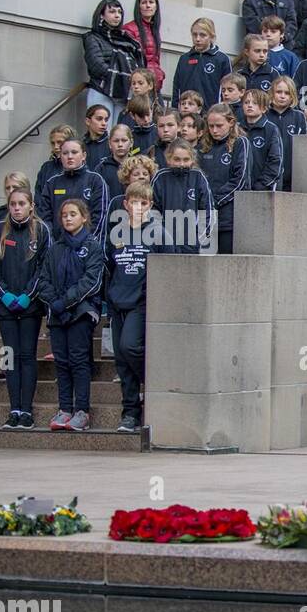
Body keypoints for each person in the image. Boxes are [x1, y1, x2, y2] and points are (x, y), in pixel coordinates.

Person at [105, 182, 170, 432]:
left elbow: (169, 269)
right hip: (117, 302)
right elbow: (109, 269)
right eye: (134, 202)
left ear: (150, 205)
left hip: (142, 303)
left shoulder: (159, 232)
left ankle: (153, 383)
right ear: (125, 205)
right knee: (121, 360)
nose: (138, 207)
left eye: (143, 203)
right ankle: (130, 412)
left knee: (129, 347)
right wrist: (109, 299)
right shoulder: (116, 233)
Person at [38, 200, 104, 432]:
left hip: (81, 312)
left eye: (73, 214)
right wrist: (54, 302)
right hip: (57, 313)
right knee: (62, 362)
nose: (68, 218)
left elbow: (91, 280)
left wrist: (66, 302)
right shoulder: (56, 248)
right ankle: (64, 408)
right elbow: (43, 279)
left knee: (78, 361)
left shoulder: (92, 246)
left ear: (84, 217)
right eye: (64, 215)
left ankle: (81, 411)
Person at [82, 0, 143, 122]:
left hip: (123, 94)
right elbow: (95, 65)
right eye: (112, 12)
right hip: (101, 90)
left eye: (119, 12)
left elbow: (138, 66)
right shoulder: (92, 37)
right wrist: (119, 78)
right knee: (102, 133)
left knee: (119, 135)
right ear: (102, 15)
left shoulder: (127, 40)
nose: (117, 15)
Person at [199, 105, 250, 255]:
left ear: (231, 122)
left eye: (219, 126)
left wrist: (215, 201)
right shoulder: (203, 146)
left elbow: (240, 180)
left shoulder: (240, 143)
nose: (214, 130)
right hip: (204, 215)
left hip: (228, 216)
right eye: (211, 126)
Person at [36, 138, 107, 243]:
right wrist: (54, 245)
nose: (70, 157)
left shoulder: (95, 181)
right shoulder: (52, 183)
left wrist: (87, 243)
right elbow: (45, 217)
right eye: (65, 153)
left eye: (74, 152)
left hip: (87, 246)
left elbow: (100, 217)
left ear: (83, 156)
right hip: (57, 246)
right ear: (60, 156)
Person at [151, 138, 215, 253]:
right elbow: (153, 210)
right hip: (166, 240)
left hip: (192, 242)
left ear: (192, 160)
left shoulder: (198, 177)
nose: (181, 164)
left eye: (186, 160)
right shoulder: (160, 177)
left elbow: (207, 211)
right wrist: (160, 237)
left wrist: (200, 238)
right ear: (169, 159)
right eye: (177, 159)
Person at [172, 18, 232, 110]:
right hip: (186, 113)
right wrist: (175, 110)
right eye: (194, 35)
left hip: (211, 114)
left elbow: (228, 89)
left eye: (203, 35)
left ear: (211, 36)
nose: (198, 39)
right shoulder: (184, 58)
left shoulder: (222, 59)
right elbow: (177, 88)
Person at [267, 76, 307, 192]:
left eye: (287, 93)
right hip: (268, 174)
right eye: (279, 92)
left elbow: (305, 146)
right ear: (271, 93)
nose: (282, 96)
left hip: (291, 173)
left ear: (292, 97)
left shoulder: (298, 117)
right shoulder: (264, 115)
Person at [120, 0, 165, 97]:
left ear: (156, 6)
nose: (148, 5)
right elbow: (128, 62)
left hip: (154, 86)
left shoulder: (154, 30)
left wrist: (160, 75)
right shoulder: (129, 29)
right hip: (140, 88)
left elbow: (155, 60)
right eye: (144, 2)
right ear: (138, 6)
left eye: (151, 2)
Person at [240, 90, 283, 193]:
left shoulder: (271, 129)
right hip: (240, 189)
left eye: (255, 103)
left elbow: (275, 161)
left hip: (263, 189)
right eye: (246, 102)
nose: (250, 105)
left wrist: (260, 185)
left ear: (264, 108)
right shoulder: (237, 128)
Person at [34, 126, 76, 208]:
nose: (56, 147)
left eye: (59, 142)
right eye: (53, 143)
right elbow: (39, 196)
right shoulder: (46, 168)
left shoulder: (77, 168)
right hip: (46, 216)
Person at [97, 123, 137, 201]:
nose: (120, 144)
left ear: (131, 143)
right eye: (116, 141)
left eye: (124, 140)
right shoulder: (102, 168)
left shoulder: (138, 166)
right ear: (109, 144)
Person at [82, 104, 111, 171]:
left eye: (106, 120)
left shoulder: (111, 144)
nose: (104, 123)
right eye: (99, 119)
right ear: (88, 121)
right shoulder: (80, 145)